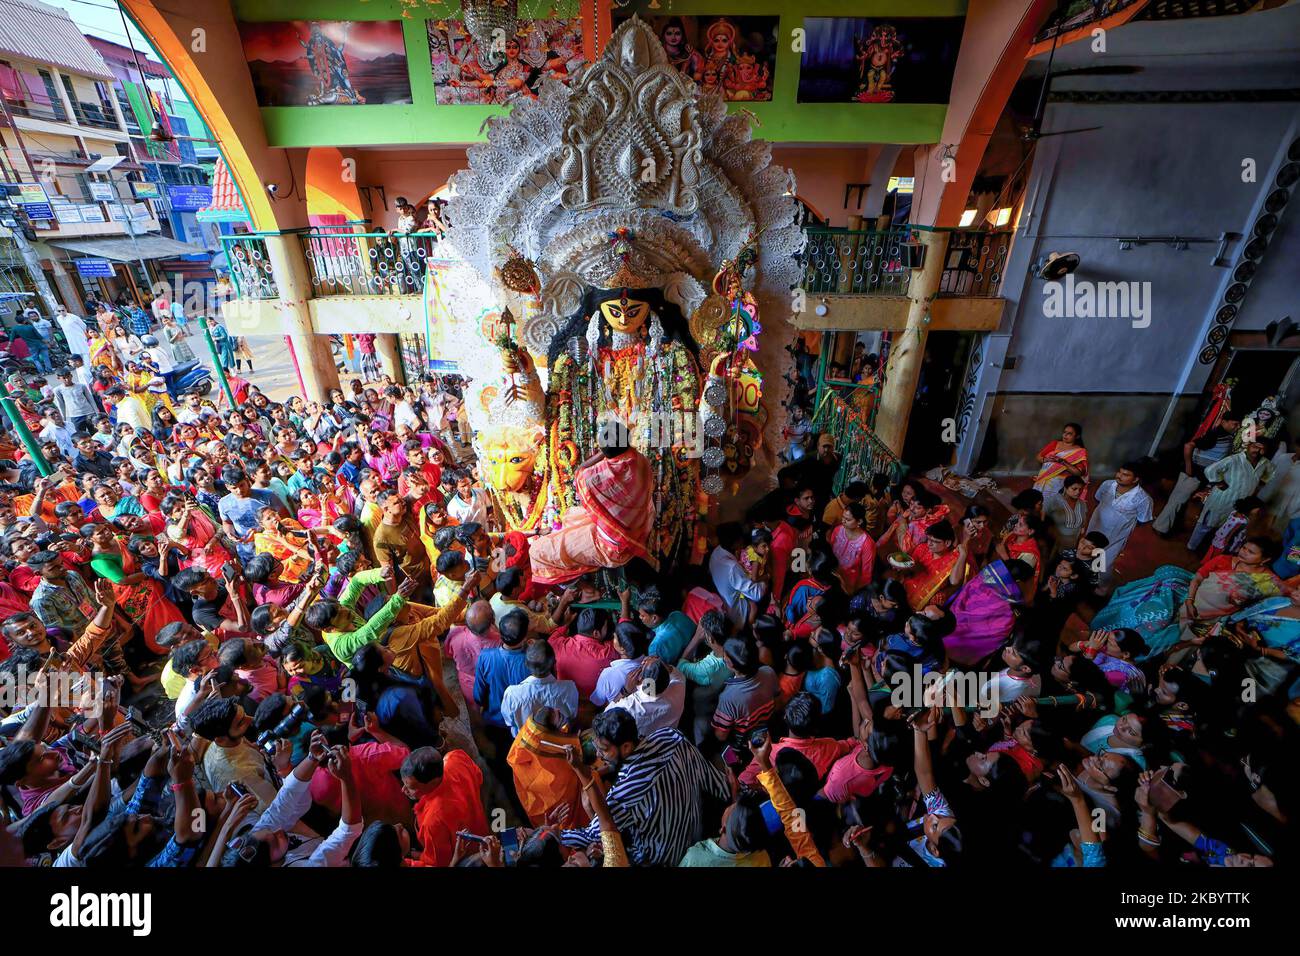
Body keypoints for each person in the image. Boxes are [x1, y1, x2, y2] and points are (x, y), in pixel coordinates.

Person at [558, 708, 730, 866]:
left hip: (662, 858)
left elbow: (593, 834)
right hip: (696, 833)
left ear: (625, 747)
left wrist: (552, 835)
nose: (598, 755)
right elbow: (714, 782)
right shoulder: (671, 736)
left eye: (603, 750)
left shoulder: (626, 792)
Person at [529, 442, 658, 585]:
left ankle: (583, 591)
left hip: (612, 547)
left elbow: (580, 472)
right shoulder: (640, 460)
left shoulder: (602, 474)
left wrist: (603, 453)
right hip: (638, 528)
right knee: (571, 516)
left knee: (538, 551)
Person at [401, 745, 487, 867]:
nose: (403, 790)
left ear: (432, 782)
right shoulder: (456, 758)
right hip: (481, 828)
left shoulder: (432, 820)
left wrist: (418, 856)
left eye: (411, 787)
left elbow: (439, 861)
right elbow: (478, 777)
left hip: (469, 857)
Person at [1085, 463, 1153, 587]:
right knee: (1087, 554)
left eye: (1125, 475)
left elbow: (1142, 520)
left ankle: (1100, 588)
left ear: (1136, 479)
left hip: (1115, 538)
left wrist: (1121, 524)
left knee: (1104, 564)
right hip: (1095, 527)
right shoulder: (1107, 485)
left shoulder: (1143, 499)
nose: (1119, 476)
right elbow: (1098, 498)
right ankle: (1085, 580)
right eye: (1119, 472)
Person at [1033, 422, 1089, 497]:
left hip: (1058, 484)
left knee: (1052, 506)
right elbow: (1039, 457)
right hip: (1042, 480)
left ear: (1077, 436)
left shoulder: (1079, 451)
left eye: (1069, 433)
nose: (1065, 435)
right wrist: (1045, 460)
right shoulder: (1055, 444)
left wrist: (1063, 462)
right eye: (1064, 432)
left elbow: (1078, 473)